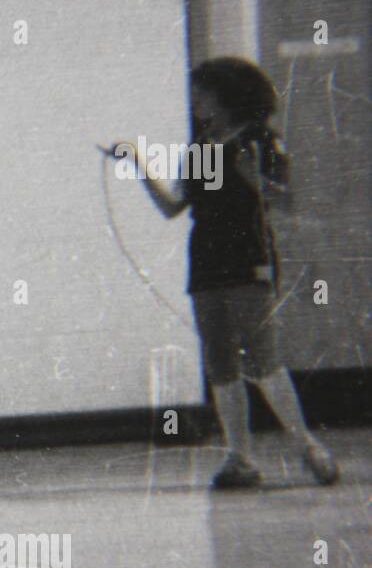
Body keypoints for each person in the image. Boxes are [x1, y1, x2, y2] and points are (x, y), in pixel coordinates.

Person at [125, 56, 340, 489]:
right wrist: (138, 166)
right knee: (220, 364)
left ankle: (308, 447)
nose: (196, 101)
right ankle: (241, 459)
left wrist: (249, 175)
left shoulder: (260, 140)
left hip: (249, 261)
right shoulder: (201, 147)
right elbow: (174, 207)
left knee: (262, 361)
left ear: (225, 95)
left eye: (201, 92)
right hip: (206, 264)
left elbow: (284, 201)